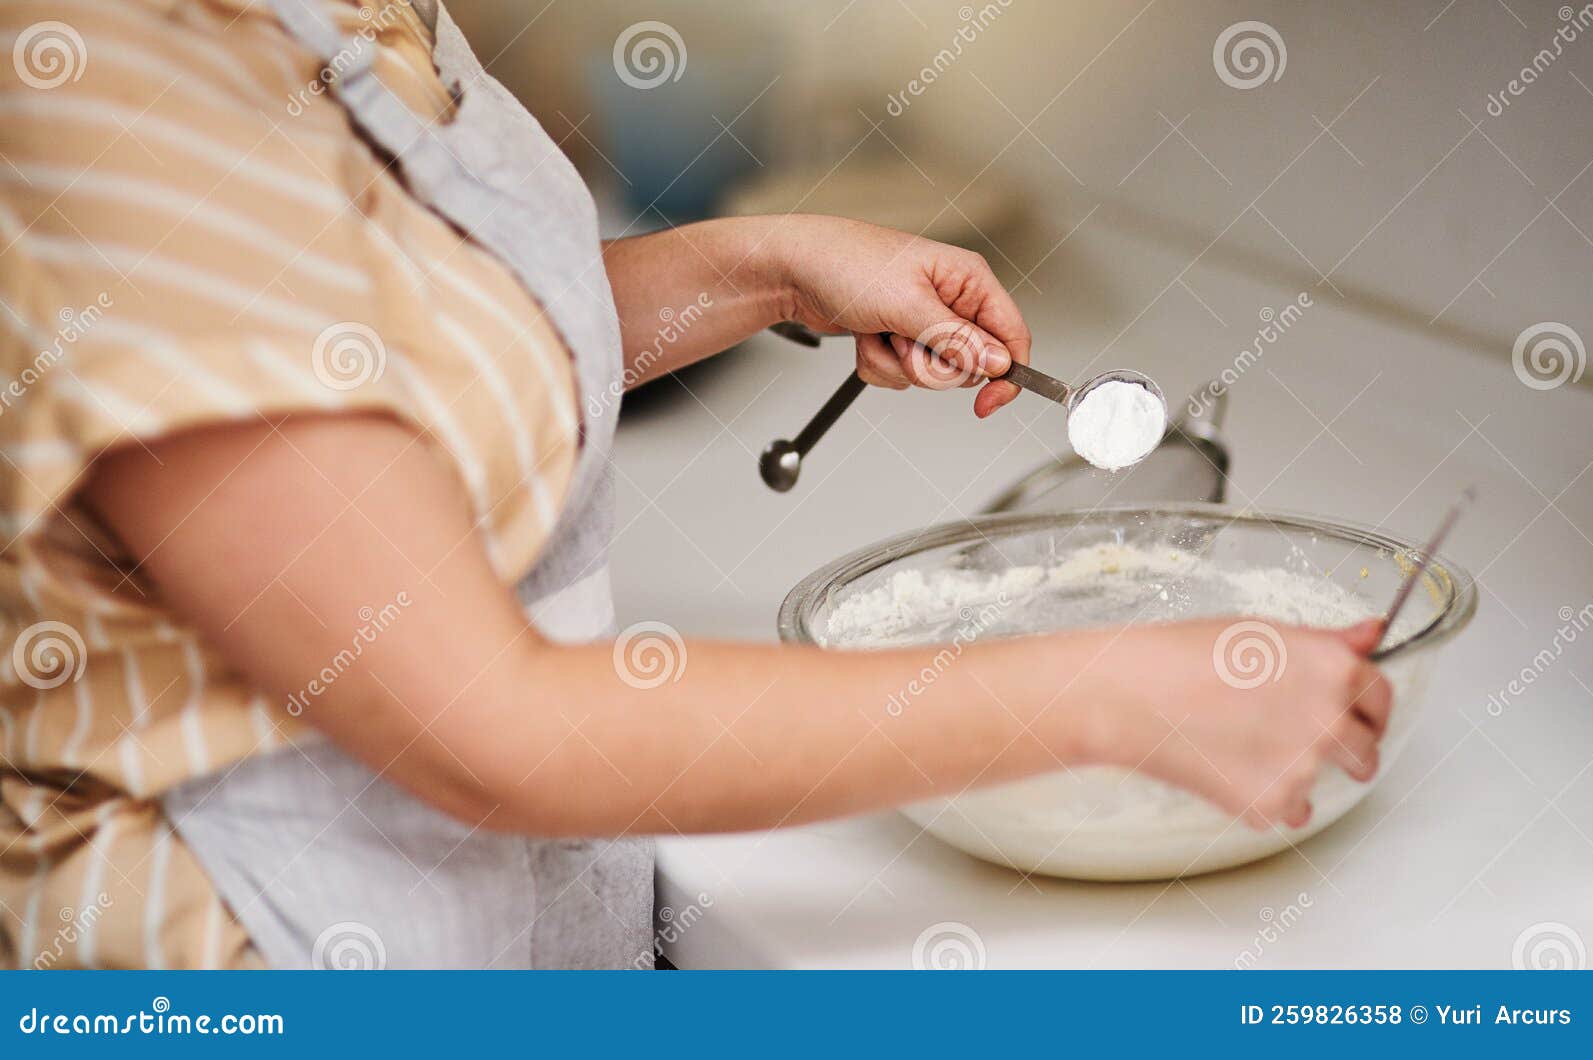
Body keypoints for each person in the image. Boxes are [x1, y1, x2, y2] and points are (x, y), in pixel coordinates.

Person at [0, 0, 1390, 970]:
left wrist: (769, 267)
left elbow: (409, 358)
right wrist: (1115, 694)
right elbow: (489, 732)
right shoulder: (123, 70)